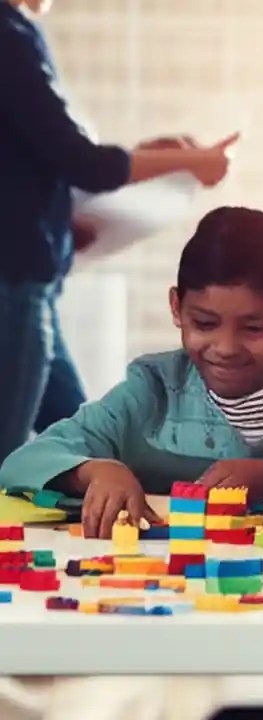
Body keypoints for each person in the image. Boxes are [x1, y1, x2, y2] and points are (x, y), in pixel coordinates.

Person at [0, 0, 239, 465]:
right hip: (17, 282)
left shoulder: (17, 33)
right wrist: (189, 161)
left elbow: (41, 162)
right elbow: (83, 163)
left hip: (31, 283)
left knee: (83, 446)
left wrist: (152, 159)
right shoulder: (9, 37)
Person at [0, 206, 263, 537]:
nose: (226, 347)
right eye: (204, 323)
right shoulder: (150, 390)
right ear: (176, 308)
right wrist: (96, 471)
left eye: (253, 328)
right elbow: (21, 463)